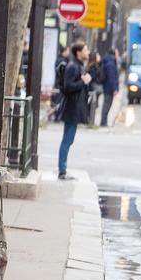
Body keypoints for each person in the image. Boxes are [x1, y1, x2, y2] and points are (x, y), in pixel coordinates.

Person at [57, 42, 93, 180]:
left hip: (75, 107)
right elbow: (67, 86)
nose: (88, 52)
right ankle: (62, 170)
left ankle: (63, 169)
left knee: (69, 139)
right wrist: (83, 82)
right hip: (72, 108)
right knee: (67, 139)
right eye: (85, 49)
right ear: (78, 52)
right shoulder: (73, 66)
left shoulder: (78, 65)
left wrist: (85, 81)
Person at [99, 47, 120, 127]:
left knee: (107, 104)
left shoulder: (109, 61)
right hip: (108, 88)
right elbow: (112, 77)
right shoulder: (110, 63)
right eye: (117, 53)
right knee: (107, 104)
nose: (118, 55)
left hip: (107, 87)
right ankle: (103, 122)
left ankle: (104, 121)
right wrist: (114, 89)